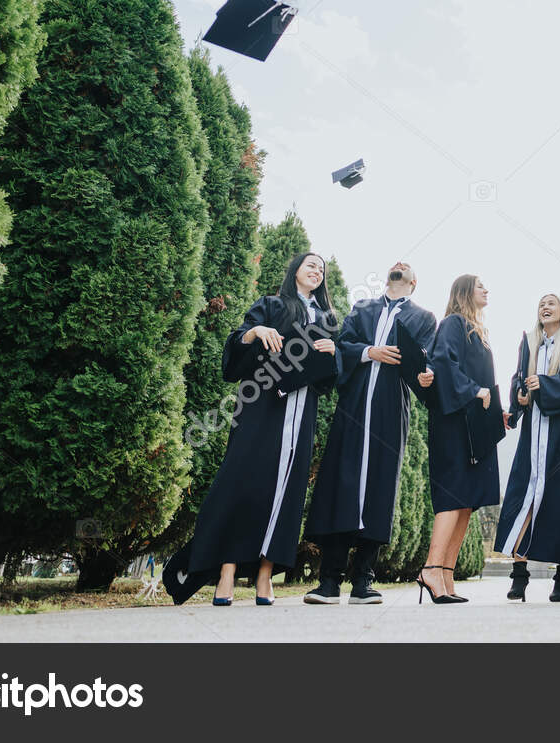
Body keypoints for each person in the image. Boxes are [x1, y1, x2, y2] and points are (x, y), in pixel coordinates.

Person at [163, 252, 339, 606]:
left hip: (301, 411)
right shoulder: (271, 305)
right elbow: (238, 343)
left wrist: (333, 352)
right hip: (261, 405)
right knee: (241, 483)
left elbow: (329, 377)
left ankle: (264, 574)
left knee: (286, 491)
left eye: (321, 269)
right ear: (295, 272)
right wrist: (256, 332)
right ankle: (226, 570)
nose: (316, 271)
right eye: (310, 265)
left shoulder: (328, 318)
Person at [303, 262, 437, 605]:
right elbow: (342, 344)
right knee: (341, 485)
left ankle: (363, 581)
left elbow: (426, 361)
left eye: (407, 267)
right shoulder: (363, 308)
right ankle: (329, 582)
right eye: (396, 264)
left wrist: (426, 375)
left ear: (414, 281)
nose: (401, 265)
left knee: (378, 488)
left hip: (391, 410)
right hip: (354, 405)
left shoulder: (424, 318)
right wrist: (369, 352)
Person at [495, 293, 560, 602]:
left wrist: (544, 385)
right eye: (541, 304)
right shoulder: (529, 342)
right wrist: (520, 396)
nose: (545, 307)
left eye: (551, 303)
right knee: (523, 498)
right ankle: (519, 576)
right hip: (534, 433)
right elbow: (519, 379)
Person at [417, 274, 500, 604]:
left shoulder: (480, 332)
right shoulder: (453, 322)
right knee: (453, 495)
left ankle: (446, 575)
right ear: (465, 291)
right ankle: (431, 567)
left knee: (467, 500)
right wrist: (472, 391)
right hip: (454, 422)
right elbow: (443, 363)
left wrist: (497, 412)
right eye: (481, 285)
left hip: (476, 424)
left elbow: (485, 379)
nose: (486, 289)